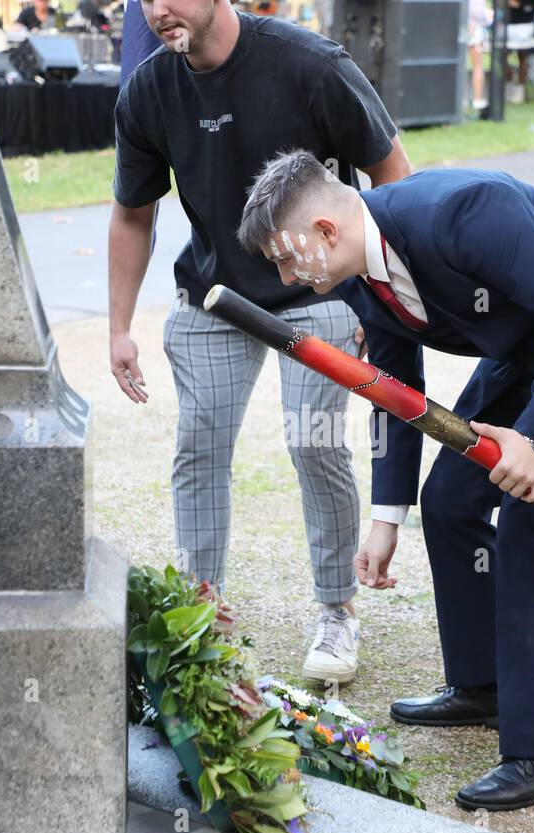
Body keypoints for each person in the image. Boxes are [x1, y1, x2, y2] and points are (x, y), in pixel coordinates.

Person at [237, 151, 534, 811]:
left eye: (286, 258)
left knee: (533, 529)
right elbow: (395, 390)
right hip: (530, 349)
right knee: (448, 501)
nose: (286, 276)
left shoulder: (459, 212)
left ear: (326, 231)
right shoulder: (356, 273)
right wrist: (386, 518)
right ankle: (483, 687)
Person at [108, 0, 411, 684]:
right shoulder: (149, 91)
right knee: (200, 441)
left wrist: (383, 295)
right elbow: (132, 214)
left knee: (312, 442)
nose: (159, 10)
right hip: (217, 298)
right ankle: (200, 613)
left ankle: (337, 610)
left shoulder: (313, 65)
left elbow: (396, 177)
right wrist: (118, 327)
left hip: (322, 289)